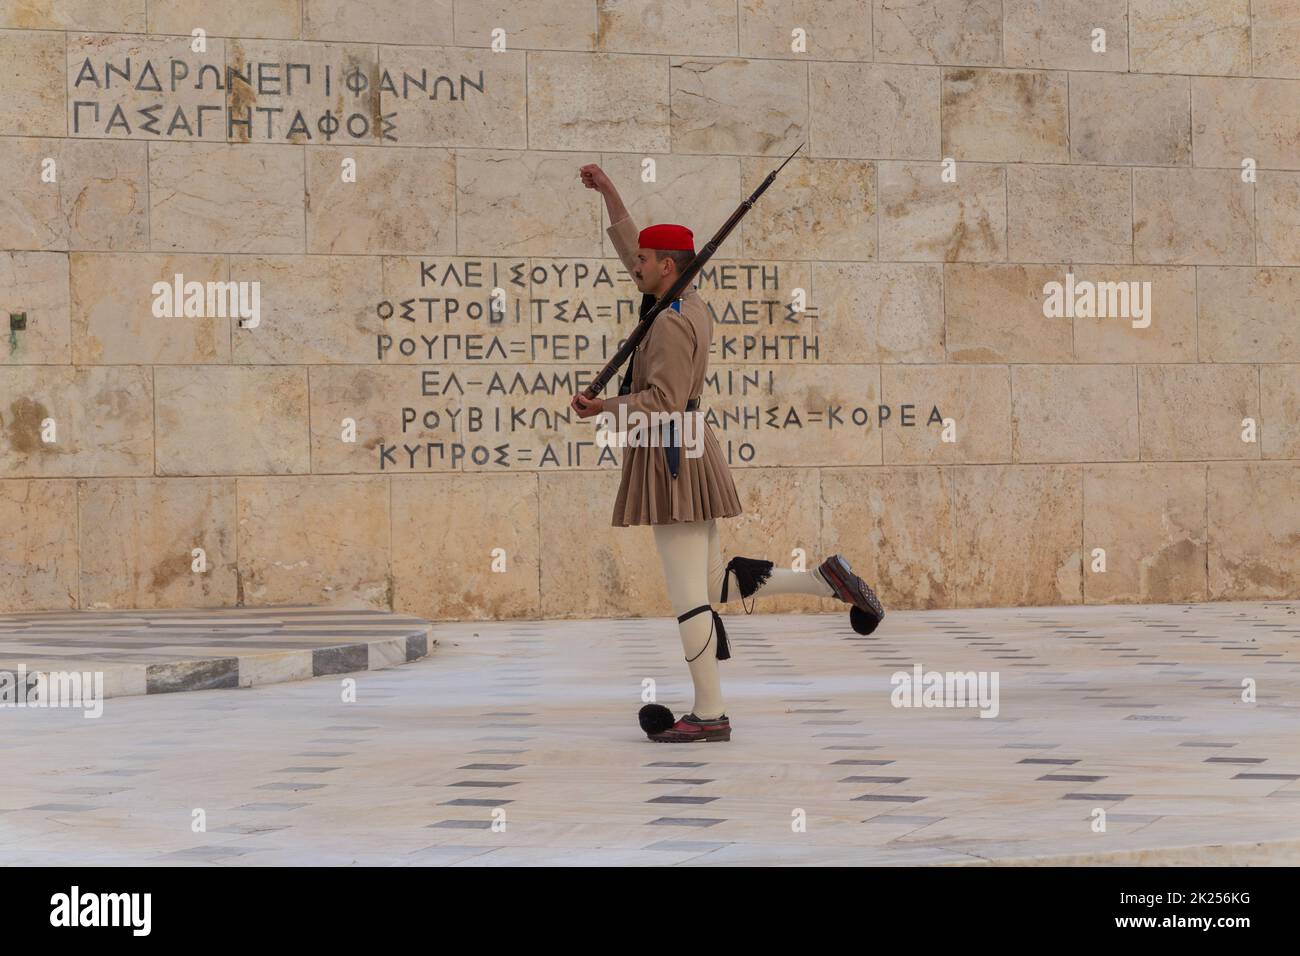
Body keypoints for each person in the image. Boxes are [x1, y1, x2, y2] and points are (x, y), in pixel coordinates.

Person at [571, 163, 883, 742]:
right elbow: (632, 247)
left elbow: (662, 400)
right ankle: (825, 581)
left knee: (690, 597)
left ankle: (709, 713)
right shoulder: (683, 305)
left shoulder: (666, 325)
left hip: (670, 458)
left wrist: (603, 410)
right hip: (688, 450)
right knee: (714, 585)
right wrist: (611, 195)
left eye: (642, 261)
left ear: (667, 268)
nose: (632, 266)